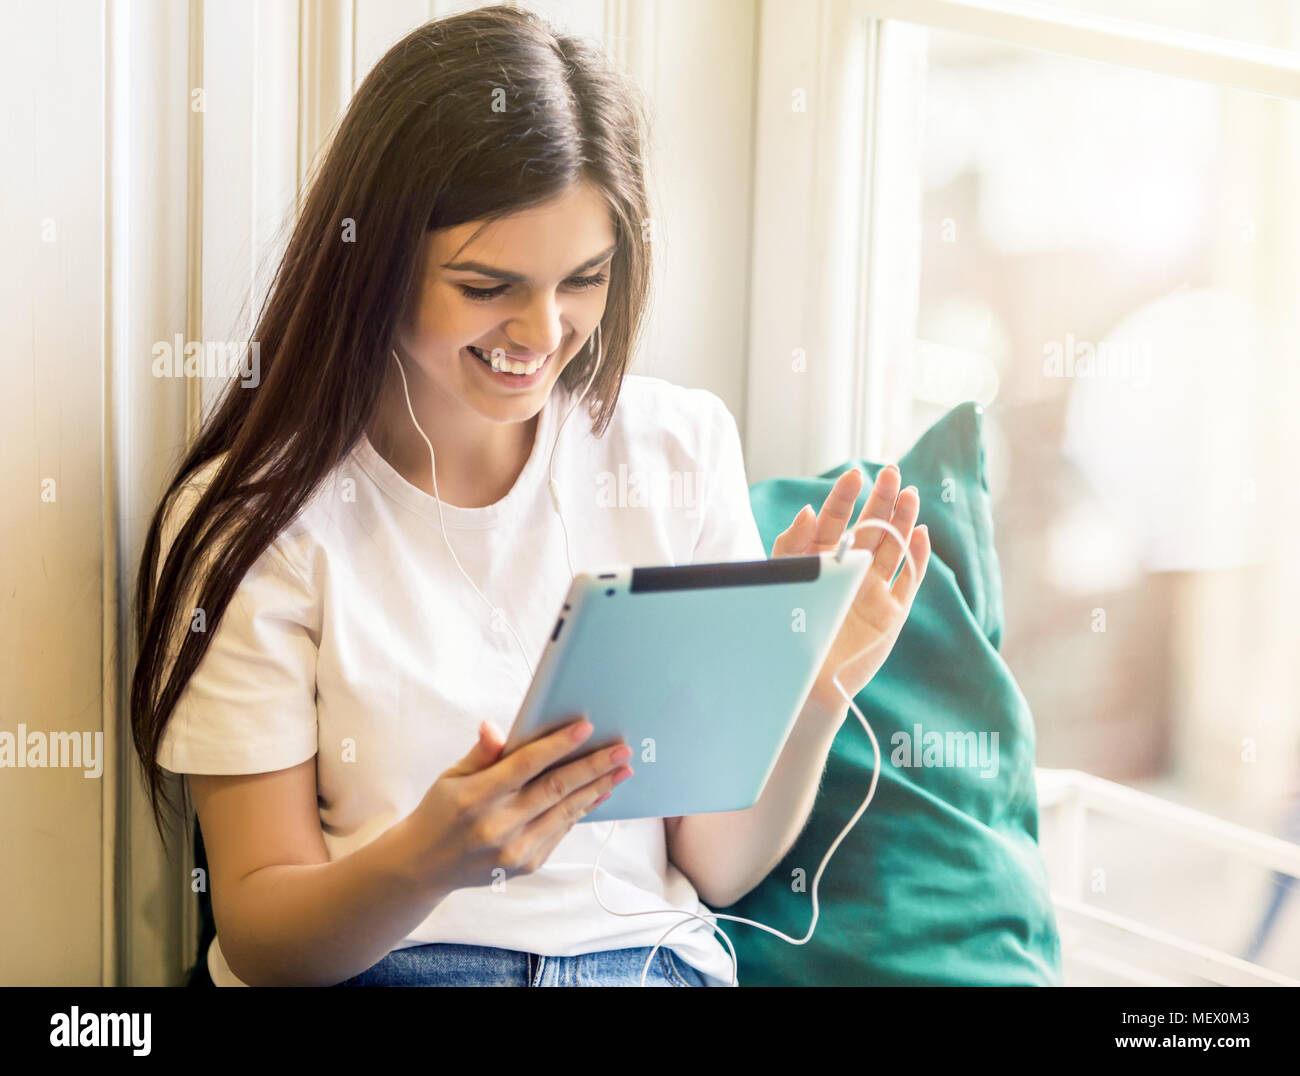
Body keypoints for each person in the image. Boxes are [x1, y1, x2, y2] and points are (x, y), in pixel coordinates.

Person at [130, 4, 931, 988]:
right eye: (484, 285)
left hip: (647, 963)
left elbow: (718, 865)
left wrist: (812, 688)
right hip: (401, 966)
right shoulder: (259, 521)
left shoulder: (675, 446)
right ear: (375, 262)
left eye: (583, 278)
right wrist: (427, 856)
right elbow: (261, 932)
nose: (542, 332)